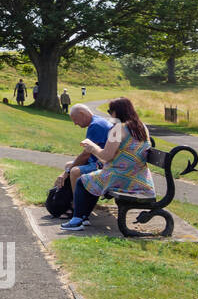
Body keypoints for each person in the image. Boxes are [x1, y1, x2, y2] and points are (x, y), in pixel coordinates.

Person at [61, 98, 156, 231]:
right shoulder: (141, 127)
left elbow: (106, 156)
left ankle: (78, 219)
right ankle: (83, 217)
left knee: (82, 181)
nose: (109, 115)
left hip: (120, 177)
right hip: (139, 178)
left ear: (116, 112)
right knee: (91, 179)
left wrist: (92, 147)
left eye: (109, 111)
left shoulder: (118, 129)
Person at [54, 104, 113, 199]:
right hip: (100, 161)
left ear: (82, 114)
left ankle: (76, 205)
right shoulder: (97, 121)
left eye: (75, 119)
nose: (75, 123)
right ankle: (66, 198)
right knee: (68, 165)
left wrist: (66, 173)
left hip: (104, 165)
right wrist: (67, 170)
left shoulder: (96, 125)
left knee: (74, 171)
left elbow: (86, 155)